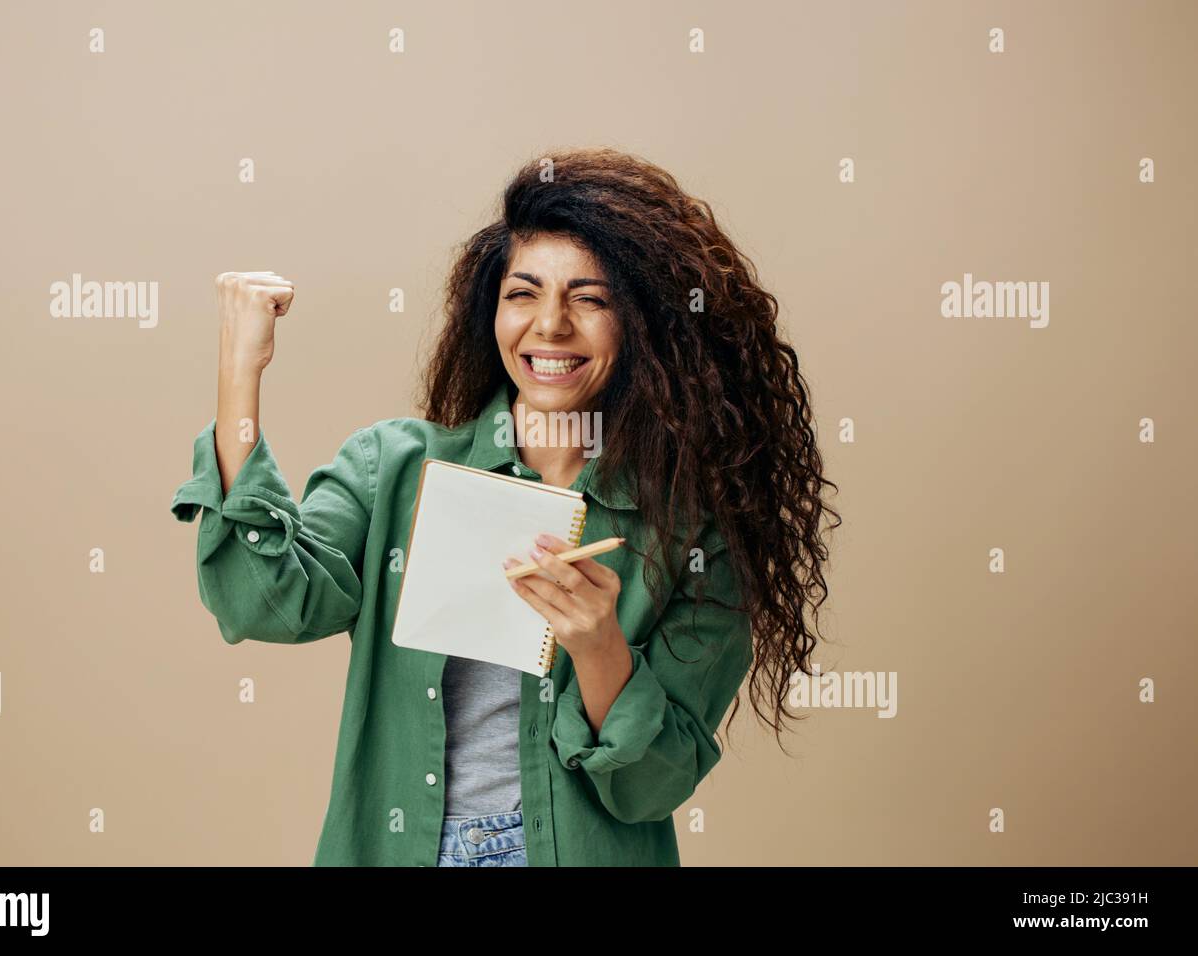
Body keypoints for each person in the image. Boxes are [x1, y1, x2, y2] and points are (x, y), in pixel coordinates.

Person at [170, 146, 840, 866]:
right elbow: (260, 602)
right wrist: (241, 371)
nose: (550, 326)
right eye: (524, 293)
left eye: (590, 298)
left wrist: (599, 646)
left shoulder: (694, 528)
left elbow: (650, 788)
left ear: (645, 324)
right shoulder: (395, 469)